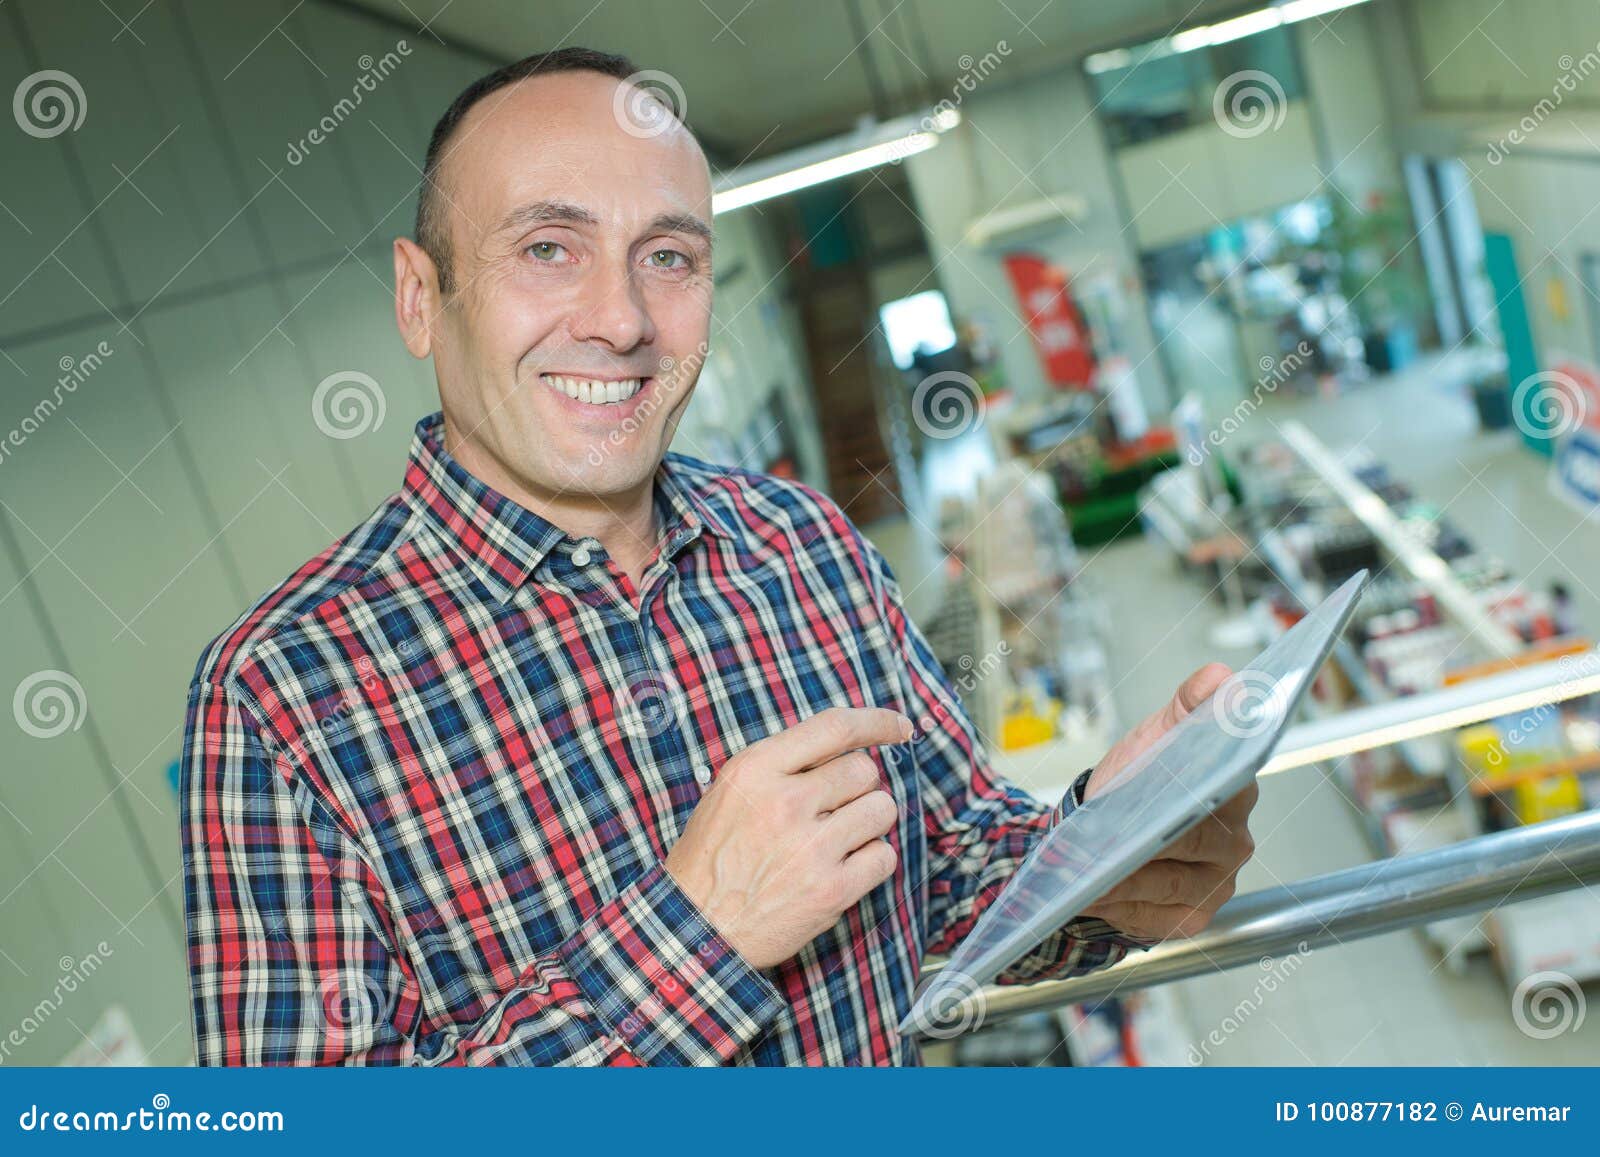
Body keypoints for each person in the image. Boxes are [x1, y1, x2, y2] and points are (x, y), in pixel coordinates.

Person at [179, 47, 1257, 1067]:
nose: (619, 318)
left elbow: (943, 878)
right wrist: (695, 935)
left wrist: (1104, 852)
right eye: (547, 248)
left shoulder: (802, 545)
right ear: (423, 297)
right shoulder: (281, 699)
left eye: (669, 257)